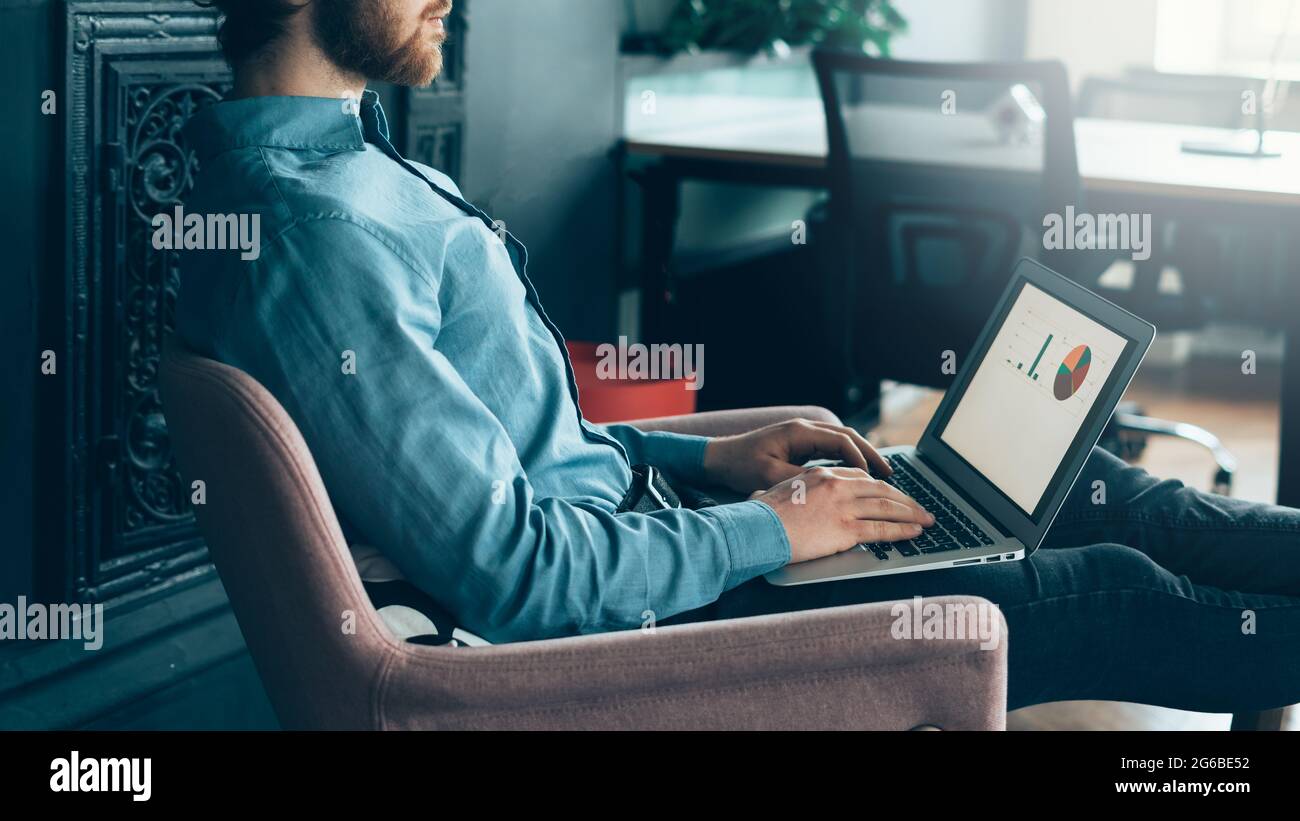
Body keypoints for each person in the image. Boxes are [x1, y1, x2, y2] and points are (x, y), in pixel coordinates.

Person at [178, 0, 1300, 714]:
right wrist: (774, 527)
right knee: (1104, 589)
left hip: (661, 531)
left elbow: (513, 451)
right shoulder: (323, 234)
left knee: (1097, 489)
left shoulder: (347, 170)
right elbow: (519, 577)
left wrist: (712, 459)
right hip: (650, 619)